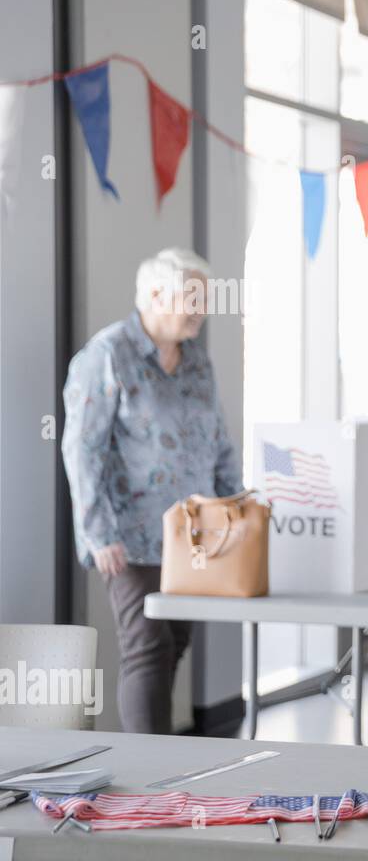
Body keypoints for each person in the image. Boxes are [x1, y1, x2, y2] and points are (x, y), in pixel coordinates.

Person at [62, 248, 241, 734]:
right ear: (157, 295)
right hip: (130, 537)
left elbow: (217, 439)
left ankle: (158, 748)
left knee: (176, 640)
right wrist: (98, 535)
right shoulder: (107, 355)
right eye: (193, 299)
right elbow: (83, 450)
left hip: (195, 535)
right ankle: (150, 770)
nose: (202, 310)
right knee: (147, 645)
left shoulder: (197, 361)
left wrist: (237, 506)